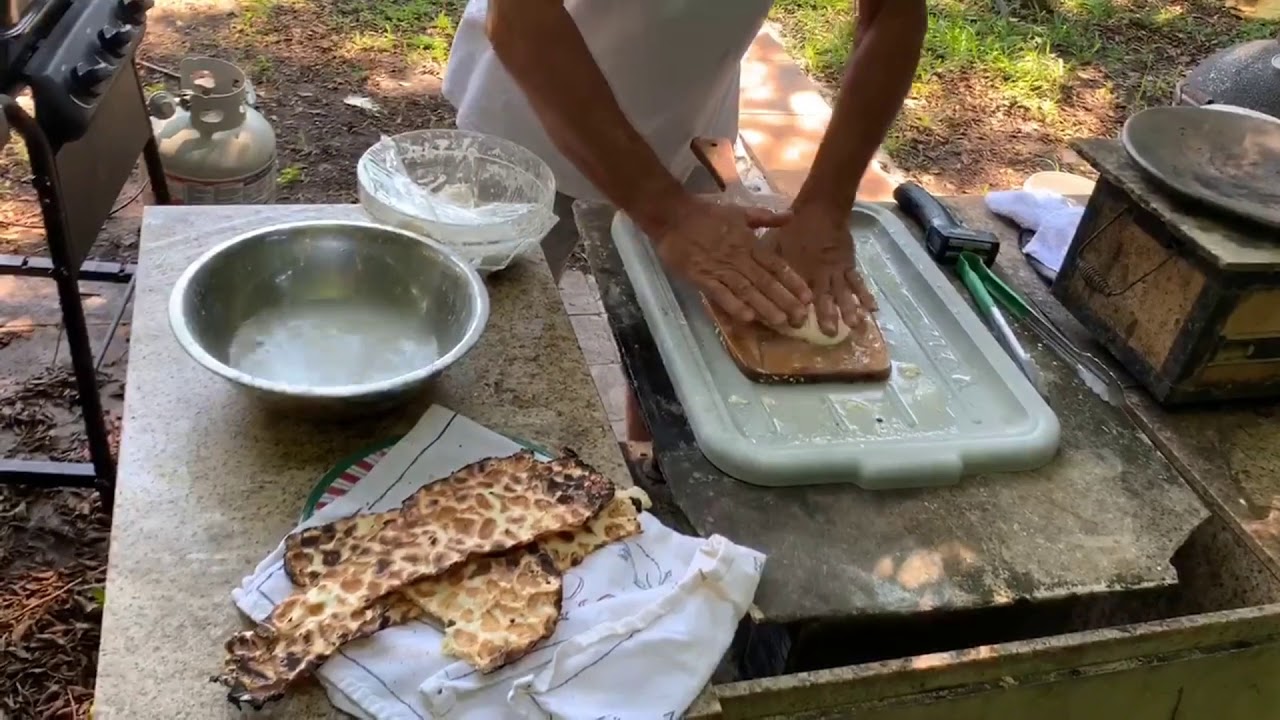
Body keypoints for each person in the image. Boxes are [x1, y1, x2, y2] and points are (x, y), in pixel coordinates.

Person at [443, 0, 927, 439]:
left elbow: (894, 14)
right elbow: (520, 18)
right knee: (478, 364)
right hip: (528, 127)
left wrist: (826, 202)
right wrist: (666, 213)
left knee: (673, 362)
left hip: (688, 127)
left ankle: (650, 470)